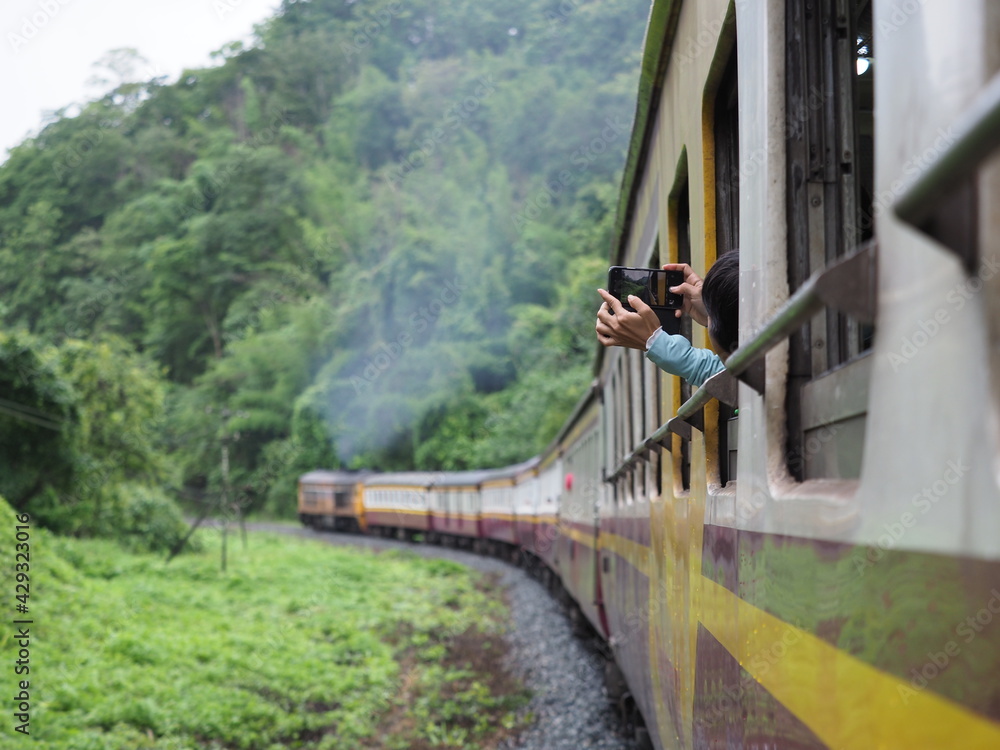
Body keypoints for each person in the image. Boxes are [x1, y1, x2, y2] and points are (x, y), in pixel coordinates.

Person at [595, 250, 739, 387]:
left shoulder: (754, 381)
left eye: (712, 318)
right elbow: (730, 376)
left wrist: (655, 342)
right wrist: (710, 312)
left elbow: (734, 382)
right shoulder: (758, 362)